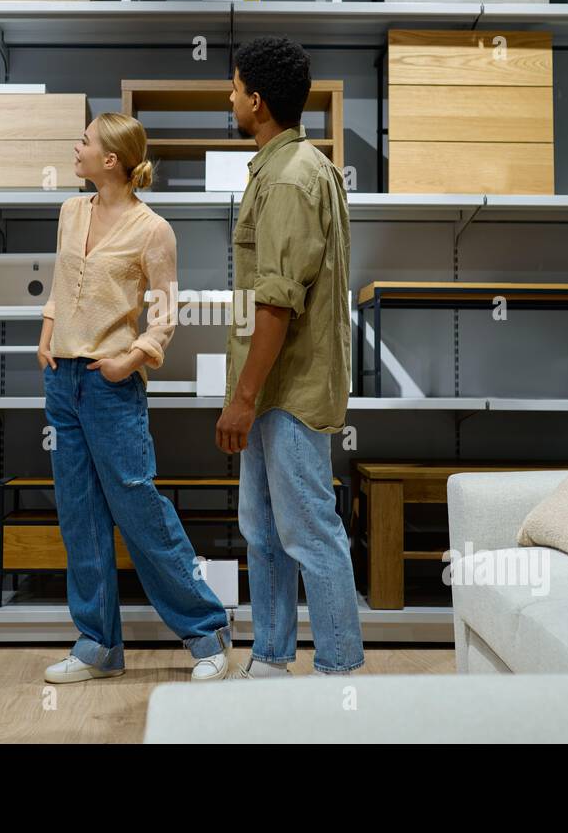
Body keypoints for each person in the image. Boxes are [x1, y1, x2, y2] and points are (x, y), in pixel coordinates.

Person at [38, 111, 232, 683]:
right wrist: (46, 337)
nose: (77, 148)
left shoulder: (153, 229)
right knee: (79, 514)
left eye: (85, 142)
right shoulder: (72, 212)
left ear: (111, 160)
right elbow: (59, 284)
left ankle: (207, 634)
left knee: (138, 509)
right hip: (62, 381)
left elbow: (165, 312)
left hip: (110, 384)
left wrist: (131, 359)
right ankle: (98, 646)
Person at [216, 36, 365, 677]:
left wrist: (242, 399)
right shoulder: (299, 167)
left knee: (309, 532)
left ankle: (337, 672)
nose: (228, 97)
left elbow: (276, 304)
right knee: (265, 532)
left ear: (256, 99)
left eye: (233, 86)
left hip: (287, 391)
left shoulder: (287, 179)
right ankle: (271, 660)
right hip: (276, 389)